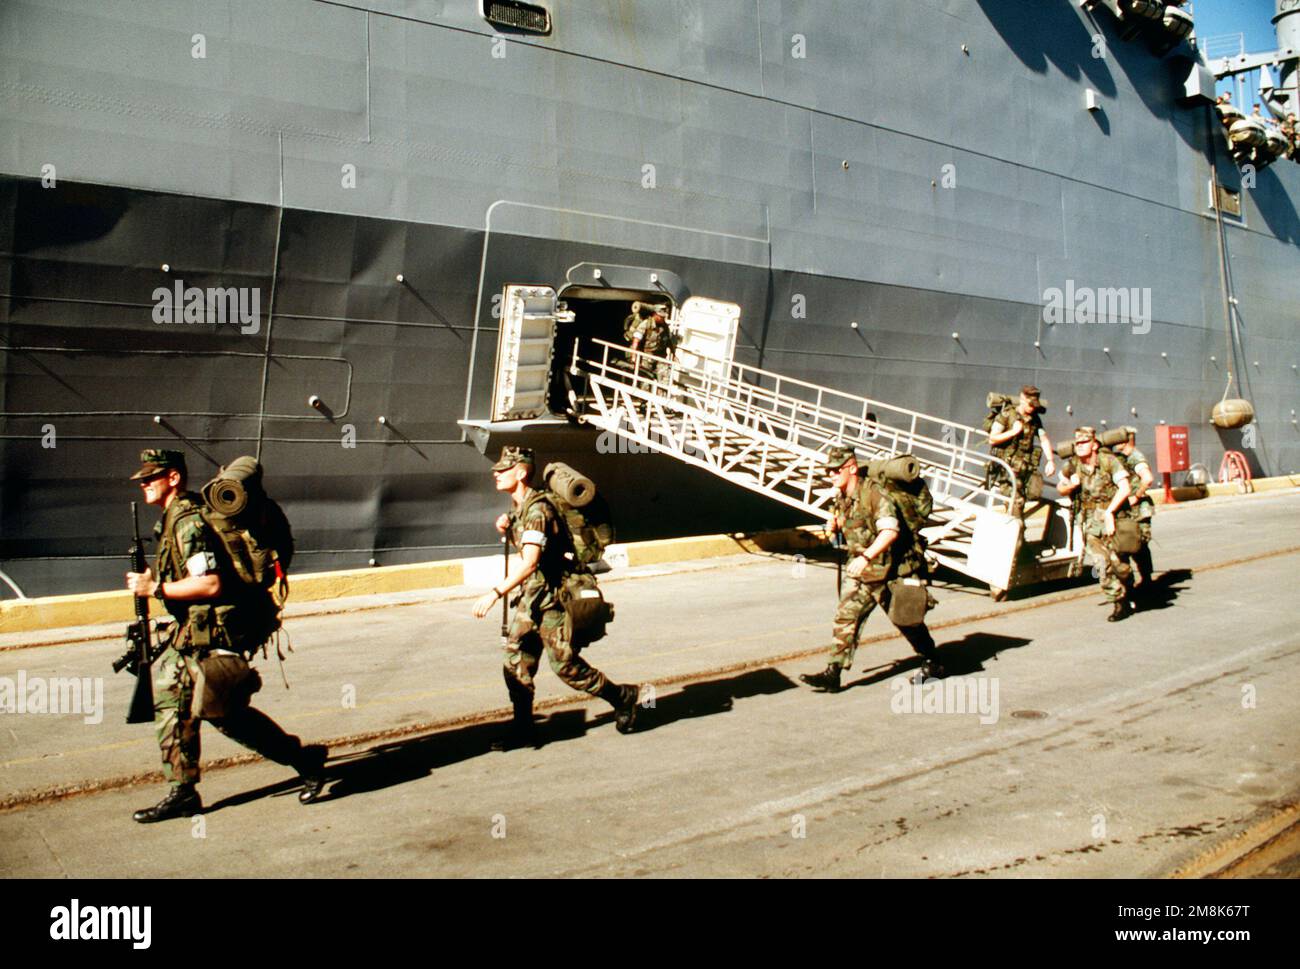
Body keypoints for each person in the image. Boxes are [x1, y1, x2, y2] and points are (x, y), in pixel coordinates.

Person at [125, 449, 326, 822]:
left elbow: (210, 584)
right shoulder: (172, 519)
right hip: (188, 632)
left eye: (151, 477)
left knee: (225, 714)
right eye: (142, 479)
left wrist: (155, 589)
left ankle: (304, 759)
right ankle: (182, 791)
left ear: (173, 478)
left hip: (216, 631)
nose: (144, 484)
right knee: (171, 705)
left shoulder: (188, 522)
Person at [472, 446, 640, 748]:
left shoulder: (538, 510)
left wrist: (496, 593)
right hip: (532, 599)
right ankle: (523, 729)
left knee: (567, 667)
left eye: (503, 470)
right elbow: (527, 541)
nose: (495, 474)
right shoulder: (521, 507)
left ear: (521, 472)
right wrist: (508, 524)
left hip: (553, 600)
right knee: (516, 660)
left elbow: (530, 562)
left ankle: (623, 697)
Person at [800, 446, 944, 693]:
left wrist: (866, 557)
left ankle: (933, 662)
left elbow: (890, 531)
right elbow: (855, 525)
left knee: (907, 622)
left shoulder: (875, 494)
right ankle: (833, 673)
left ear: (852, 468)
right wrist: (836, 524)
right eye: (829, 471)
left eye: (836, 470)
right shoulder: (843, 496)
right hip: (865, 572)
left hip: (892, 569)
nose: (831, 475)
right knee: (846, 616)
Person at [1056, 428, 1134, 621]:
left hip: (1112, 518)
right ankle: (1118, 601)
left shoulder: (1108, 462)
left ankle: (1128, 586)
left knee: (1120, 565)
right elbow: (1060, 488)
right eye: (1078, 443)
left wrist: (1110, 512)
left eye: (1084, 442)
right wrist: (1071, 486)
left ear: (1095, 444)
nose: (1080, 446)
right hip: (1090, 522)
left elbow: (1125, 488)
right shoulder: (1073, 464)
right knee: (1101, 564)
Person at [988, 385, 1056, 517]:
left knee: (1025, 499)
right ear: (1023, 399)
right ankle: (1017, 534)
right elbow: (992, 438)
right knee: (1016, 502)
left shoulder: (1034, 419)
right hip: (1008, 468)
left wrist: (1050, 460)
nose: (1032, 408)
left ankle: (1014, 531)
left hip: (1025, 468)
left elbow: (1043, 439)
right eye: (1030, 405)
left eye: (1035, 405)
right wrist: (1013, 432)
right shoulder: (1007, 414)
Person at [1112, 426, 1155, 588]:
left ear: (1126, 440)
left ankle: (1147, 580)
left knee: (1139, 545)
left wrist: (1135, 496)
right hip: (1129, 510)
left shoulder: (1136, 457)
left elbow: (1148, 478)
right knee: (1127, 543)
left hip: (1139, 510)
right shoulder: (1122, 456)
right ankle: (1136, 581)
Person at [628, 304, 676, 385]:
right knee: (646, 380)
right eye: (661, 316)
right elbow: (636, 341)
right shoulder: (646, 324)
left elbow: (668, 341)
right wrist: (634, 357)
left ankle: (662, 395)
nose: (663, 318)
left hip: (660, 356)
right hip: (647, 356)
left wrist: (673, 354)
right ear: (655, 315)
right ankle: (643, 396)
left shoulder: (664, 326)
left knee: (665, 379)